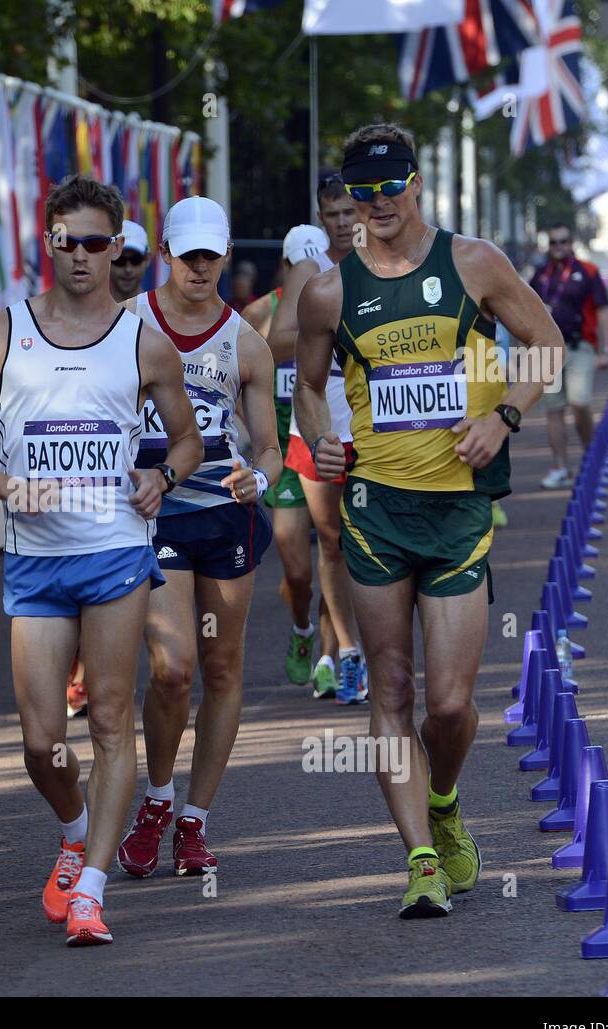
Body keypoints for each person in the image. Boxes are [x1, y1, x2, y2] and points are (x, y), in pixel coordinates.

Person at [295, 123, 560, 918]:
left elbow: (544, 341)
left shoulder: (474, 262)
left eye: (387, 189)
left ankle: (444, 803)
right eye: (357, 193)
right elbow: (306, 386)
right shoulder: (330, 291)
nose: (373, 206)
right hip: (375, 509)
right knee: (392, 688)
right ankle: (418, 859)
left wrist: (505, 415)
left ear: (415, 185)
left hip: (458, 509)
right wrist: (317, 439)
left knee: (449, 705)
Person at [0, 174, 203, 947]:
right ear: (46, 244)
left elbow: (185, 440)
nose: (81, 256)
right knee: (41, 741)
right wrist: (7, 484)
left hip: (116, 551)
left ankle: (91, 889)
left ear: (117, 248)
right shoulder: (1, 333)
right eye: (67, 242)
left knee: (113, 719)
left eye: (96, 243)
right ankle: (77, 829)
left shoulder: (144, 341)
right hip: (35, 561)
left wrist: (165, 475)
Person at [115, 196, 281, 881]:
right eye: (189, 257)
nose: (202, 269)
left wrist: (260, 481)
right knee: (172, 667)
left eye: (212, 256)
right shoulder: (127, 324)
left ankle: (195, 819)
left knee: (221, 668)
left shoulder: (247, 342)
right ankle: (156, 800)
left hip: (223, 513)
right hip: (155, 512)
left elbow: (270, 446)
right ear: (165, 256)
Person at [268, 170, 368, 705]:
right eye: (333, 214)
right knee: (328, 542)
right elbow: (277, 342)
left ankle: (362, 647)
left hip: (379, 427)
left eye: (351, 212)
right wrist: (325, 323)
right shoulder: (313, 269)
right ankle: (347, 651)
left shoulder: (389, 263)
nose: (344, 223)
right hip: (318, 425)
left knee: (374, 541)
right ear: (321, 218)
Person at [62, 218, 158, 721]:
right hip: (85, 486)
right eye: (115, 261)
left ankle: (110, 686)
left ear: (144, 261)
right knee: (83, 589)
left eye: (130, 260)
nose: (123, 270)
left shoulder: (150, 328)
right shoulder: (74, 323)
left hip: (147, 485)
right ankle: (81, 677)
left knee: (133, 606)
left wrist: (165, 473)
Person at [263, 225, 340, 692]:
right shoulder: (264, 310)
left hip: (323, 435)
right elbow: (238, 359)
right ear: (288, 268)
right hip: (284, 442)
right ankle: (302, 628)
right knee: (294, 566)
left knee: (333, 546)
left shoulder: (340, 291)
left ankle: (332, 655)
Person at [528, 224, 608, 489]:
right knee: (553, 410)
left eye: (563, 241)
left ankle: (590, 457)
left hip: (580, 347)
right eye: (553, 242)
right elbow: (525, 312)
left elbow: (603, 310)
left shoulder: (587, 271)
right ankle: (560, 466)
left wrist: (606, 348)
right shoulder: (540, 274)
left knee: (580, 401)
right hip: (546, 350)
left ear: (571, 242)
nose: (559, 246)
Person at [110, 219, 151, 303]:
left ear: (147, 259)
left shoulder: (157, 313)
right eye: (120, 260)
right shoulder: (90, 311)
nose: (128, 269)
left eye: (136, 259)